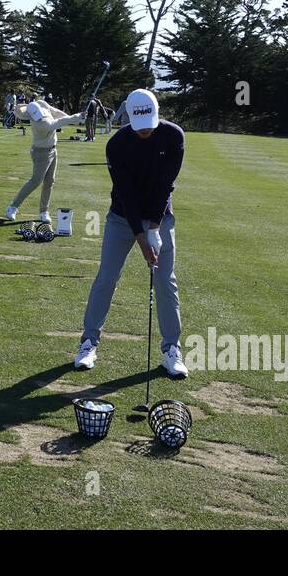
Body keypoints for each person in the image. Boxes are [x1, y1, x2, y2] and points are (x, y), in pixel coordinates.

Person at [73, 89, 186, 377]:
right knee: (107, 277)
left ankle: (172, 349)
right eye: (140, 125)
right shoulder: (117, 144)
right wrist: (140, 234)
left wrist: (154, 230)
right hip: (122, 218)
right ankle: (88, 342)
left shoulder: (173, 137)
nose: (145, 130)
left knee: (165, 281)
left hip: (160, 217)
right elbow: (126, 193)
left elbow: (165, 186)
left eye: (149, 122)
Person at [3, 98, 83, 223]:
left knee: (50, 181)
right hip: (41, 153)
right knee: (35, 181)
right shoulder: (40, 125)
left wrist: (75, 118)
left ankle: (44, 211)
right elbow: (58, 122)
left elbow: (56, 112)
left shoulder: (42, 104)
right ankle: (12, 207)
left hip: (53, 150)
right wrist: (76, 117)